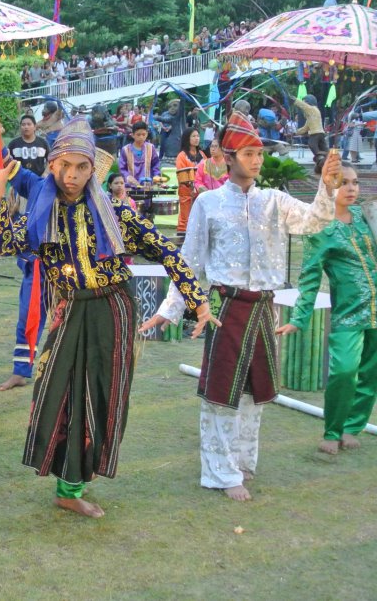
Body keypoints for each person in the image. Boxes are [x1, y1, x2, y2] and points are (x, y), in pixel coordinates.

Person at [0, 116, 211, 518]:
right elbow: (3, 243)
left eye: (81, 167)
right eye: (64, 166)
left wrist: (198, 300)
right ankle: (65, 484)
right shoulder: (42, 214)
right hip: (69, 312)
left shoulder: (116, 214)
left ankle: (72, 487)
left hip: (112, 312)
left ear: (93, 169)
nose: (71, 175)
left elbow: (167, 253)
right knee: (57, 395)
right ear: (52, 166)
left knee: (100, 398)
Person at [145, 112, 340, 502]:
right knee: (221, 394)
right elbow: (190, 262)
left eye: (259, 153)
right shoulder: (208, 203)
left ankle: (243, 463)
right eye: (249, 153)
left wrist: (327, 189)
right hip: (226, 308)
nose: (257, 159)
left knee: (254, 392)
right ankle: (219, 472)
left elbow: (313, 222)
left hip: (264, 308)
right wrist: (169, 309)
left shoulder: (274, 201)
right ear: (228, 157)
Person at [278, 164, 377, 454]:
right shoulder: (320, 228)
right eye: (343, 183)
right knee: (345, 371)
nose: (351, 188)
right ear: (329, 189)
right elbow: (309, 278)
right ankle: (332, 431)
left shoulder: (366, 217)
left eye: (355, 183)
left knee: (371, 374)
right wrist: (299, 317)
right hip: (349, 313)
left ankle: (352, 427)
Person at [175, 127, 205, 233]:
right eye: (193, 136)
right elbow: (182, 175)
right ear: (187, 138)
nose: (197, 138)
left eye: (198, 136)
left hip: (201, 191)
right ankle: (183, 235)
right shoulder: (181, 156)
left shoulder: (202, 154)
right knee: (185, 218)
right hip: (187, 191)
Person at [293, 94, 326, 160]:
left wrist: (295, 100)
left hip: (315, 133)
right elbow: (305, 128)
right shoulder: (310, 117)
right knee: (323, 147)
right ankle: (326, 156)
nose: (304, 104)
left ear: (309, 102)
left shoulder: (313, 109)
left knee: (312, 144)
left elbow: (304, 106)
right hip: (320, 134)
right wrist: (295, 132)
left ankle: (320, 158)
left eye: (305, 102)